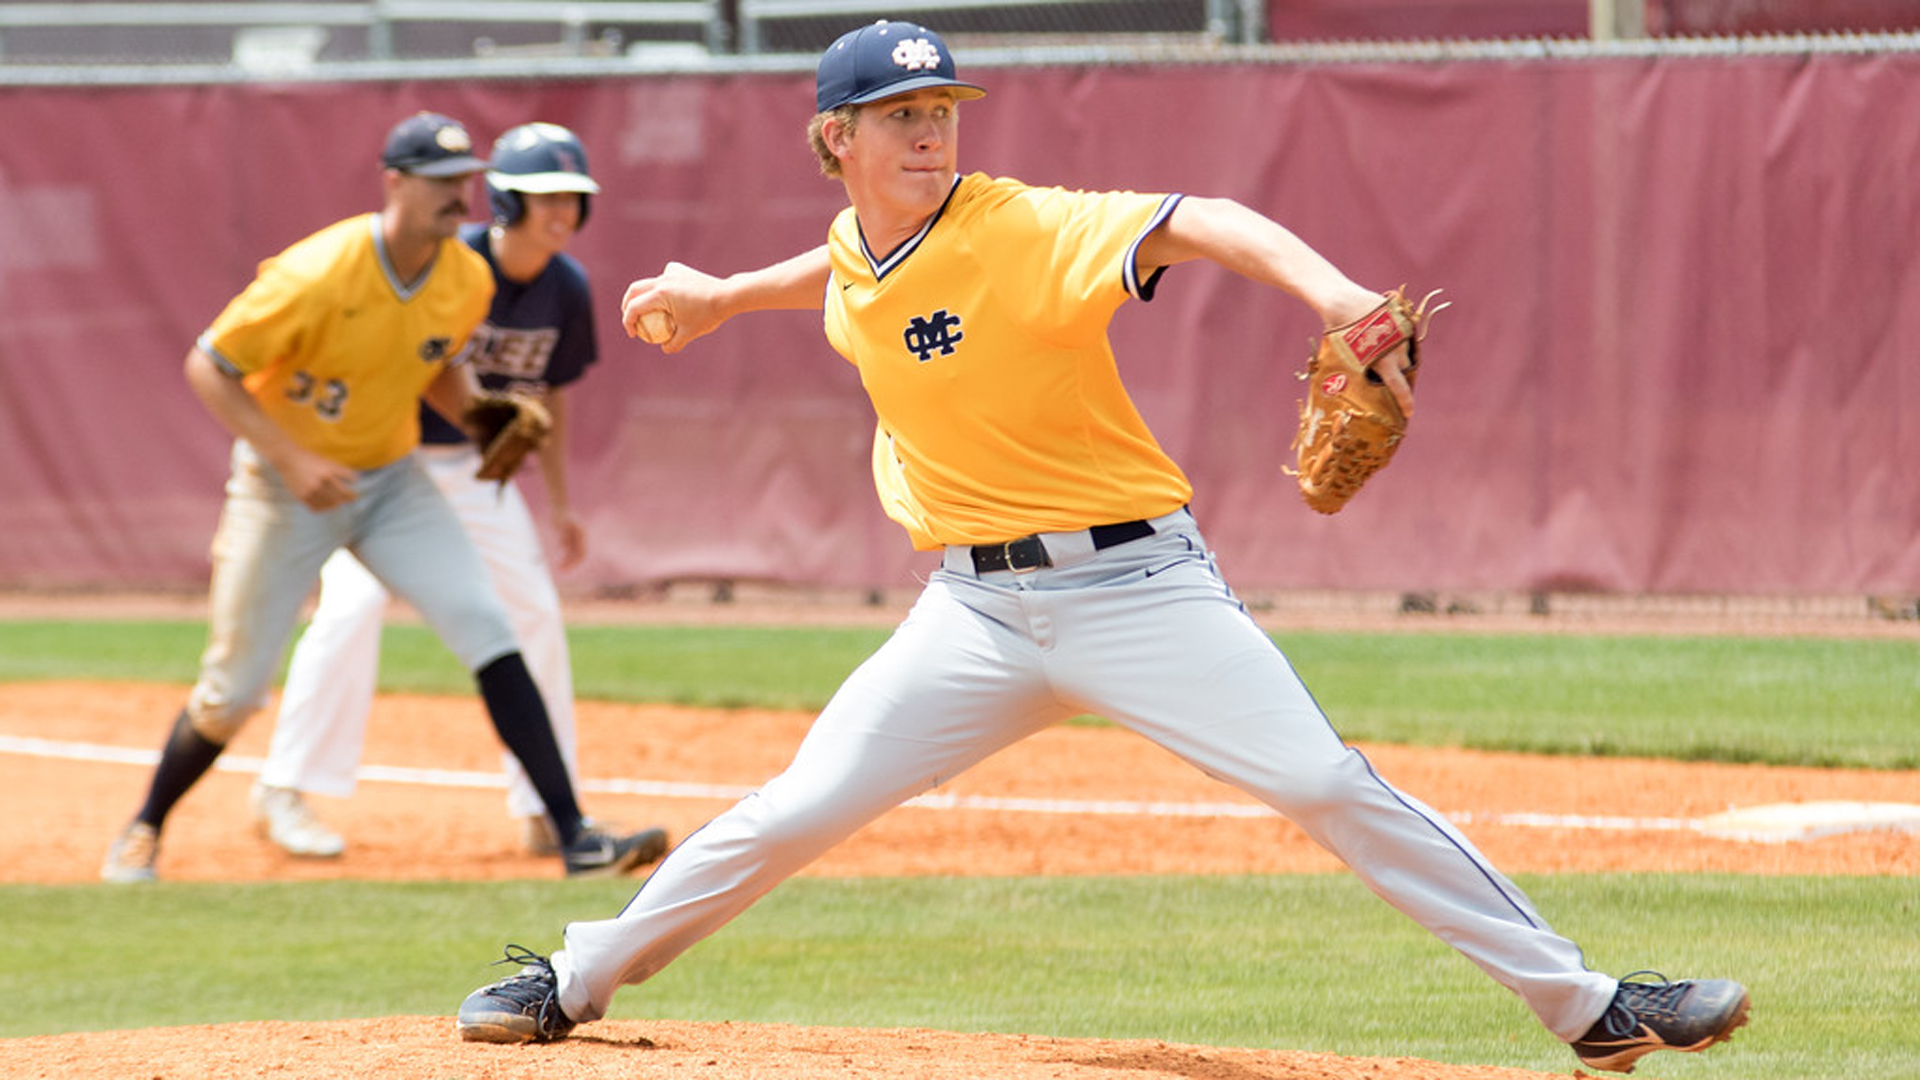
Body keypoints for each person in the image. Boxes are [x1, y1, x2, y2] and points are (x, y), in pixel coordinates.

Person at [455, 23, 1749, 1075]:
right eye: (902, 118)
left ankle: (1590, 1006)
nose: (931, 134)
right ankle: (575, 982)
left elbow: (1208, 218)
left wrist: (1340, 296)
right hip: (970, 618)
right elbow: (845, 270)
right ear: (836, 138)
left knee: (1321, 784)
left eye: (944, 111)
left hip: (1139, 589)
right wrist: (725, 297)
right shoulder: (859, 244)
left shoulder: (1023, 225)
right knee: (793, 809)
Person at [101, 112, 667, 883]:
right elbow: (210, 366)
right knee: (231, 691)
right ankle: (144, 826)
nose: (455, 196)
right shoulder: (320, 271)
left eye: (463, 181)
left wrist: (474, 415)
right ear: (394, 183)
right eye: (439, 182)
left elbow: (435, 359)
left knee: (489, 627)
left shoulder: (461, 278)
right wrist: (292, 460)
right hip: (284, 487)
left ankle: (573, 836)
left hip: (394, 482)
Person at [246, 121, 652, 861]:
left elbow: (552, 398)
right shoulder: (449, 261)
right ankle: (286, 788)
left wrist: (558, 502)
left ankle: (546, 808)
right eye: (542, 196)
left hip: (475, 470)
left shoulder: (567, 287)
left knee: (532, 609)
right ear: (502, 201)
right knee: (354, 604)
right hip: (391, 463)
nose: (561, 211)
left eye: (573, 197)